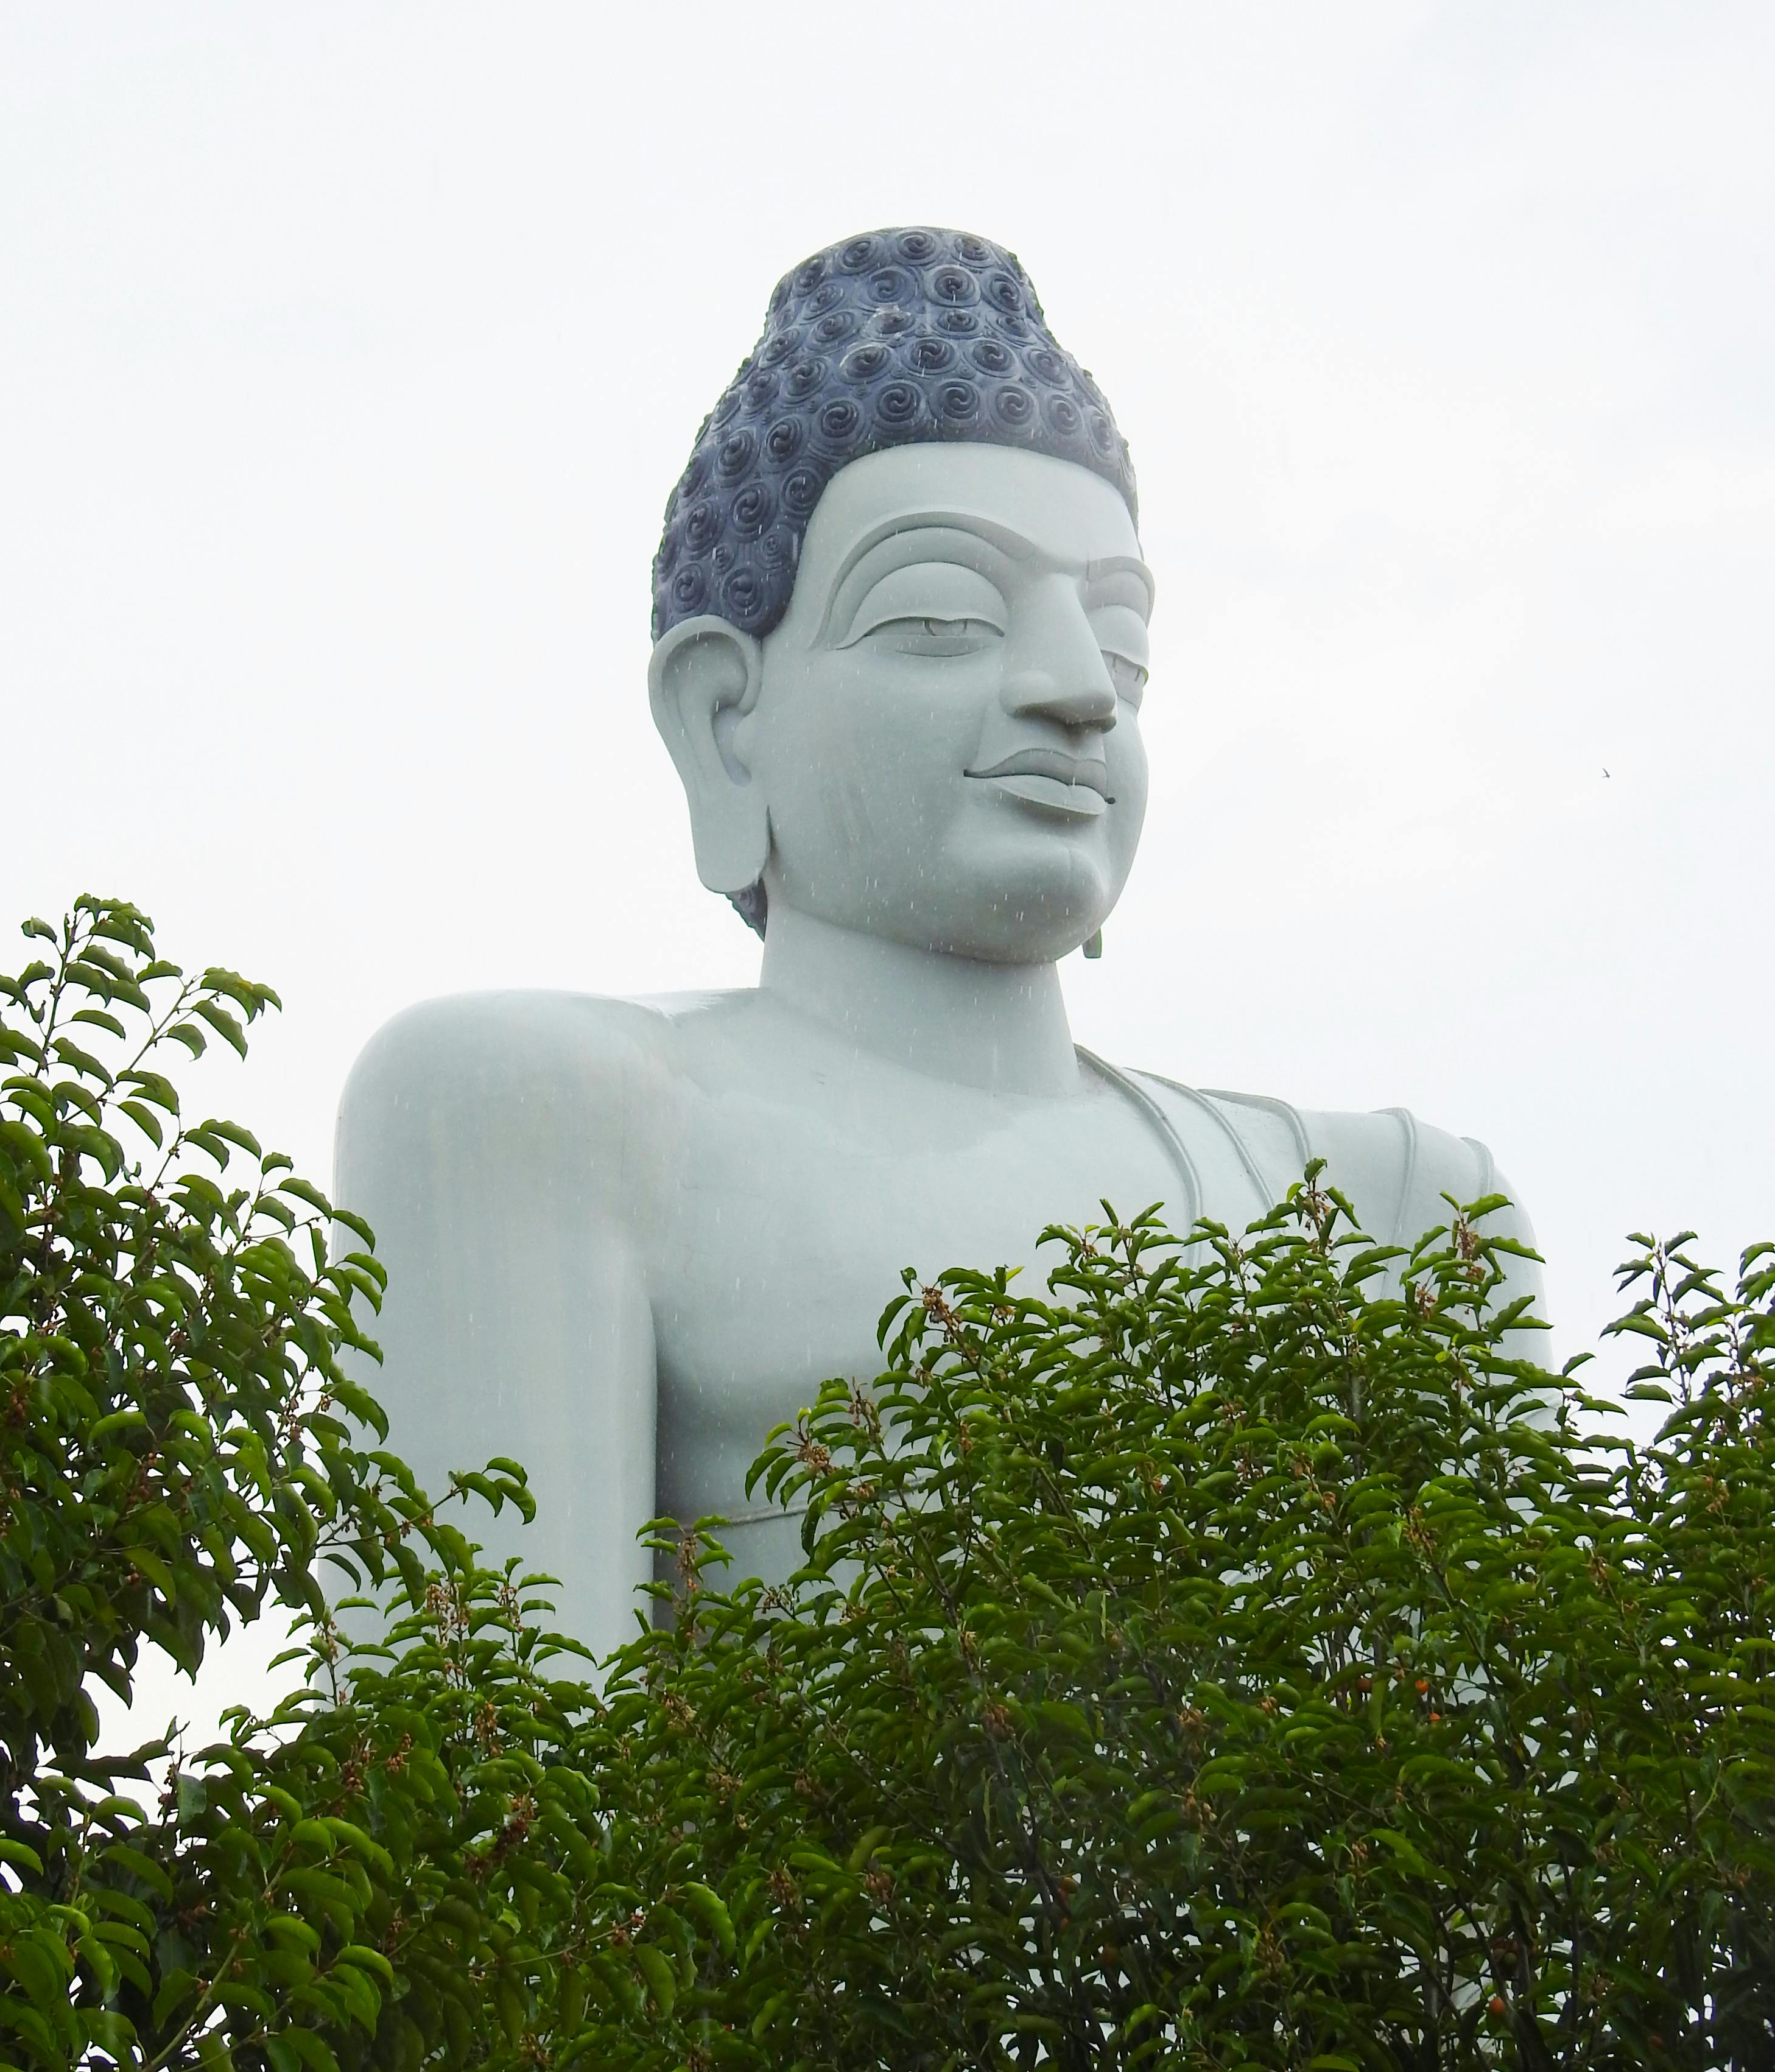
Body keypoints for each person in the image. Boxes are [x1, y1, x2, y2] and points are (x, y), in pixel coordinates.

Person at [335, 229, 1542, 1657]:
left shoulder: (1396, 1213)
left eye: (1122, 644)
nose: (1081, 692)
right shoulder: (538, 1108)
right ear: (724, 721)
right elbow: (484, 1742)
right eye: (945, 615)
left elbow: (1533, 1759)